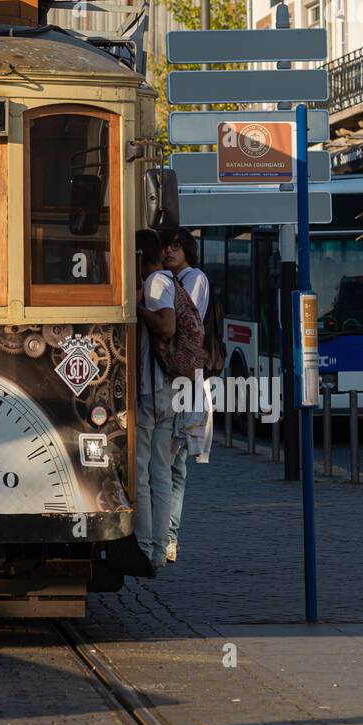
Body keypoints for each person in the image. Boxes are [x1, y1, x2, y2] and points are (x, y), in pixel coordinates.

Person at [161, 227, 213, 563]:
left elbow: (186, 319)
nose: (169, 252)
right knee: (171, 460)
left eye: (176, 247)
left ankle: (169, 535)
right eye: (166, 247)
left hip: (184, 377)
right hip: (177, 376)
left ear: (188, 251)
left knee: (175, 460)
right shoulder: (170, 278)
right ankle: (166, 533)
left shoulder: (193, 279)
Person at [134, 228, 176, 571]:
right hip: (166, 390)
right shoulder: (164, 280)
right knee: (160, 472)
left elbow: (167, 327)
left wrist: (137, 309)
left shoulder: (155, 283)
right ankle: (159, 548)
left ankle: (147, 547)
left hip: (152, 389)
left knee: (143, 472)